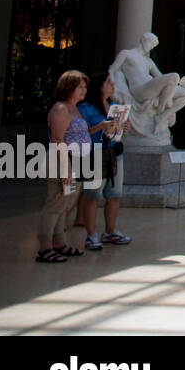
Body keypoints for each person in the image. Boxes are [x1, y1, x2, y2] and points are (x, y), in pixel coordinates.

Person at [36, 71, 91, 262]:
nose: (84, 90)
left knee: (65, 205)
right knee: (55, 203)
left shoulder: (73, 108)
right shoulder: (61, 109)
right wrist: (66, 169)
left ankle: (59, 243)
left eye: (85, 87)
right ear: (69, 87)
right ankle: (45, 247)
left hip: (75, 161)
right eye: (80, 87)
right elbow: (58, 140)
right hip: (62, 161)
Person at [77, 72, 130, 250]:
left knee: (115, 194)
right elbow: (79, 133)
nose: (112, 85)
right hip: (95, 153)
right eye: (108, 82)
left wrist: (123, 127)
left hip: (114, 153)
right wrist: (100, 127)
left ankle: (110, 231)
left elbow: (114, 132)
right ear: (100, 87)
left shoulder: (114, 106)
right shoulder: (86, 108)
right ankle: (91, 234)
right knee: (92, 195)